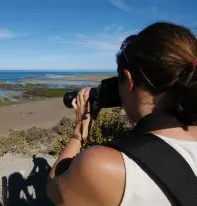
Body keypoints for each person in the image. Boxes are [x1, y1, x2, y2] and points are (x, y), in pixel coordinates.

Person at [46, 22, 197, 206]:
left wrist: (79, 133)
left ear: (129, 80)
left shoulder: (101, 165)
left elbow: (55, 189)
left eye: (119, 82)